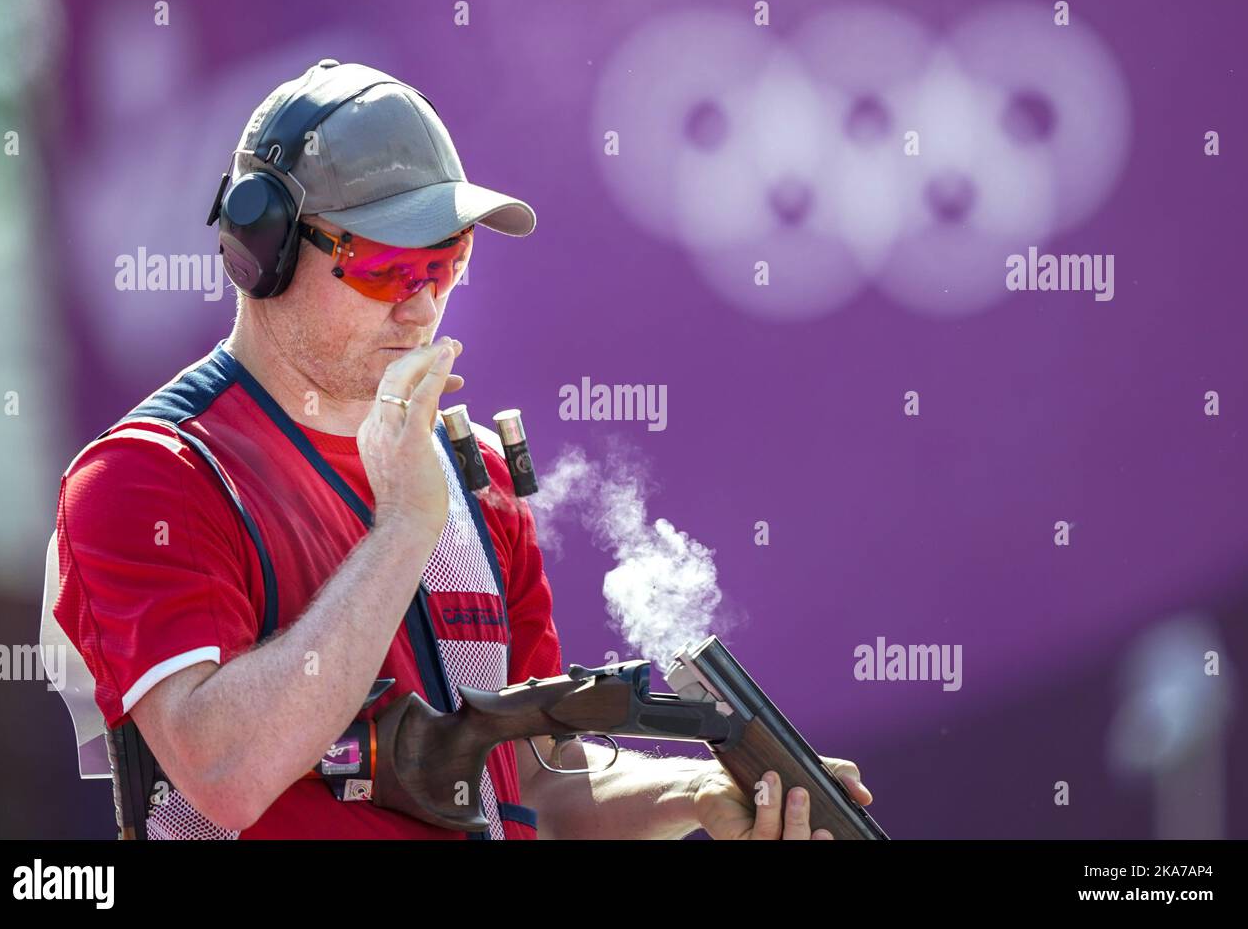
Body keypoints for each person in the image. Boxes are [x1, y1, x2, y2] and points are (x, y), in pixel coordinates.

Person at [48, 60, 872, 839]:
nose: (422, 306)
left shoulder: (470, 482)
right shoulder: (154, 476)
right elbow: (222, 770)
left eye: (446, 263)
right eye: (387, 267)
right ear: (263, 248)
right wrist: (403, 527)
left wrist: (691, 793)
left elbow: (541, 787)